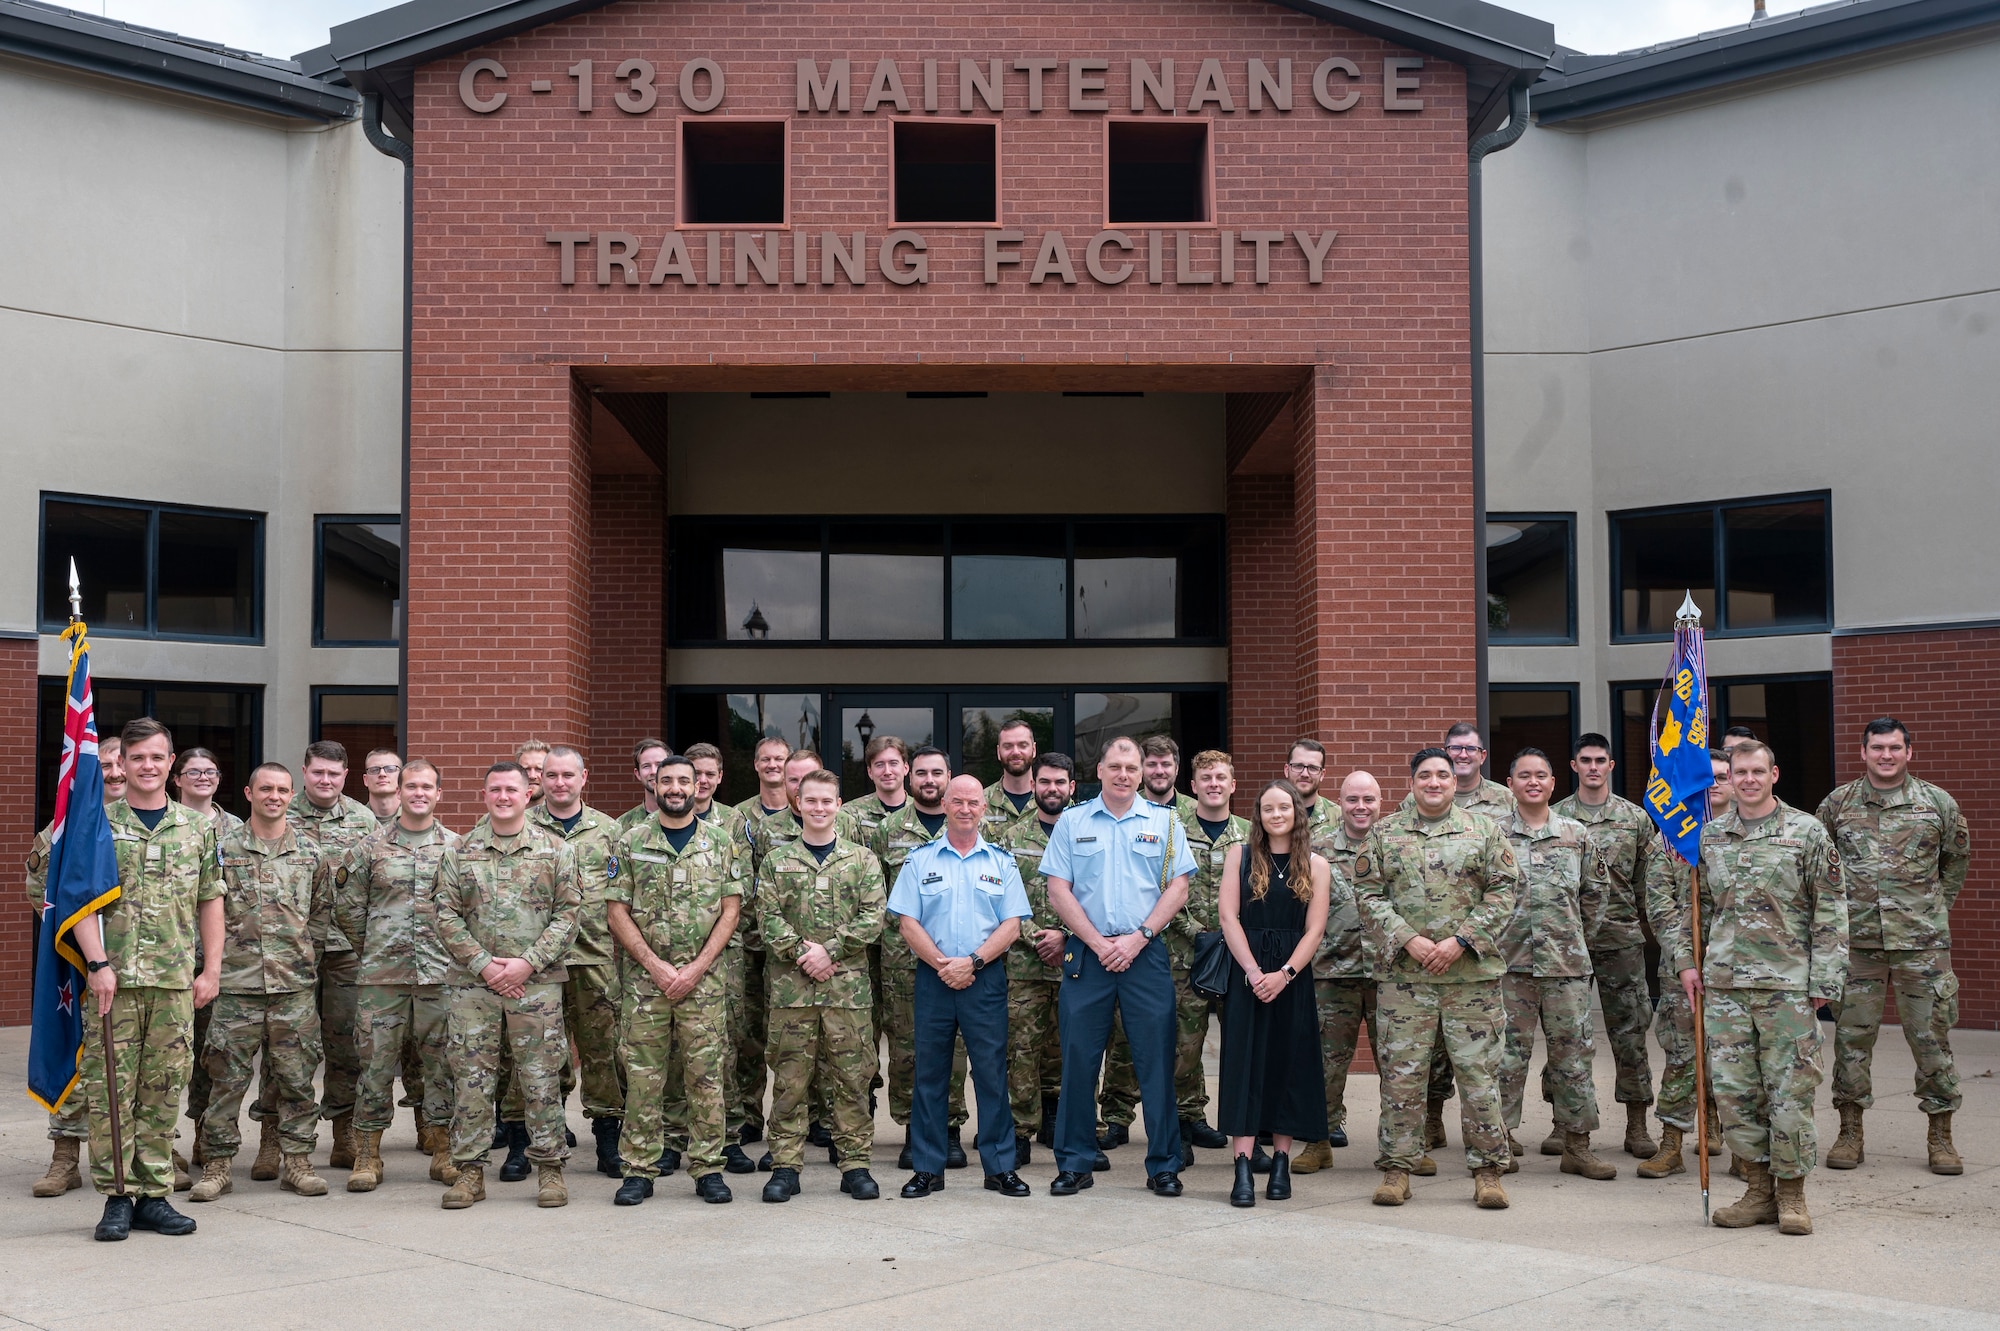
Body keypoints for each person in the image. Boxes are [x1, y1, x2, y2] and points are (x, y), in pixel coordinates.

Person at [1670, 741, 1846, 1235]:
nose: (1747, 779)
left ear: (1774, 774)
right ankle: (1757, 1191)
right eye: (1739, 772)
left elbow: (1832, 908)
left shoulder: (1808, 832)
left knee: (1790, 1092)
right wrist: (1687, 962)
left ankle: (1792, 1194)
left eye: (1756, 771)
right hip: (1723, 988)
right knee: (1734, 1094)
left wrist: (1825, 978)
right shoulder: (1709, 837)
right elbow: (1695, 909)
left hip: (1786, 986)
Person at [71, 718, 222, 1241]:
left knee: (162, 1090)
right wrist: (97, 964)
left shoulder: (198, 827)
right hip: (113, 983)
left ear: (171, 762)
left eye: (158, 757)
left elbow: (211, 898)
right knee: (110, 1091)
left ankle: (154, 1195)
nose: (148, 766)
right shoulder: (95, 823)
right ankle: (117, 1197)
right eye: (138, 757)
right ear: (123, 764)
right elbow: (79, 900)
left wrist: (211, 969)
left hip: (175, 981)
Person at [1353, 747, 1522, 1210]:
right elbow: (1367, 893)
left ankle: (1488, 1172)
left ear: (1455, 782)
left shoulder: (1484, 831)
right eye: (1424, 775)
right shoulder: (1385, 834)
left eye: (1442, 775)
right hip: (1405, 981)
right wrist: (1407, 938)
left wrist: (1462, 941)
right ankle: (1397, 1169)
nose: (1434, 782)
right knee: (1403, 1078)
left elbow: (1506, 889)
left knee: (1478, 1078)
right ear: (1411, 782)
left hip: (1471, 981)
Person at [1817, 718, 1971, 1175]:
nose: (1886, 755)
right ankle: (1850, 1132)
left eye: (1895, 748)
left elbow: (1955, 862)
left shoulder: (1937, 803)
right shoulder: (1837, 805)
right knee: (1851, 1041)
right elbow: (1823, 867)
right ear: (1863, 752)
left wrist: (1927, 910)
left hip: (1920, 946)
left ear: (1909, 753)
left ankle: (1941, 1136)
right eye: (1878, 747)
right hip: (1857, 946)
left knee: (1931, 1042)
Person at [1043, 736, 1195, 1198]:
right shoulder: (1072, 821)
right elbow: (1058, 889)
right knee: (1079, 1064)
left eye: (1133, 767)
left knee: (1155, 1064)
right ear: (1100, 770)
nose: (1125, 774)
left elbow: (1178, 888)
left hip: (1144, 954)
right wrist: (1095, 941)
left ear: (1142, 772)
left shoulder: (1167, 824)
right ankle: (1075, 1162)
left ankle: (1164, 1165)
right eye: (1116, 766)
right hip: (1087, 956)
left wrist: (1138, 938)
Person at [432, 761, 582, 1210]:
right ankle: (470, 1173)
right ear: (484, 795)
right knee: (472, 1081)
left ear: (527, 794)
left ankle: (550, 1171)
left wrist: (525, 964)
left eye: (510, 790)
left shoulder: (554, 850)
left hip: (535, 986)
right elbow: (444, 913)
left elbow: (569, 914)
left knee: (541, 1078)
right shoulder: (460, 851)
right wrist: (484, 966)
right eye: (494, 789)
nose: (502, 797)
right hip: (473, 987)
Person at [188, 763, 331, 1202]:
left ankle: (298, 1162)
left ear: (292, 795)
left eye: (282, 789)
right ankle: (216, 1165)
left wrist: (304, 963)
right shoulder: (221, 848)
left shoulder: (310, 852)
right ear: (248, 793)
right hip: (235, 988)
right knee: (224, 1080)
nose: (274, 795)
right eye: (265, 788)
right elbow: (201, 907)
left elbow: (322, 916)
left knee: (297, 1081)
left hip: (293, 989)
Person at [891, 774, 1034, 1198]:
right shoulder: (920, 860)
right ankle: (928, 1169)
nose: (966, 808)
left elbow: (1012, 924)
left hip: (984, 977)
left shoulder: (1001, 862)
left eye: (974, 802)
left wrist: (972, 962)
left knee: (991, 1074)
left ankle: (1000, 1168)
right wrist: (942, 964)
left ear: (983, 808)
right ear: (945, 805)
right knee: (930, 1075)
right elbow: (906, 921)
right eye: (958, 802)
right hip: (934, 977)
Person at [609, 755, 743, 1206]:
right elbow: (616, 911)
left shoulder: (721, 842)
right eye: (666, 780)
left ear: (698, 787)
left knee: (706, 1077)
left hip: (703, 984)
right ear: (654, 784)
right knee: (644, 1078)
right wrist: (656, 966)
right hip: (646, 985)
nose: (675, 787)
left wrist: (697, 967)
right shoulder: (630, 841)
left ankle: (708, 1168)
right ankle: (639, 1169)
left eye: (684, 780)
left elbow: (731, 910)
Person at [330, 758, 461, 1190]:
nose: (419, 792)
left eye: (427, 786)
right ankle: (368, 1155)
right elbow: (347, 906)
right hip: (381, 978)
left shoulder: (458, 848)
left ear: (439, 794)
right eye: (412, 785)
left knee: (442, 1064)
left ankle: (443, 1149)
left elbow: (469, 912)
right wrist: (374, 947)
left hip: (442, 976)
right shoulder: (370, 847)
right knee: (375, 1066)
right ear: (399, 792)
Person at [756, 768, 886, 1202]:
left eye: (827, 801)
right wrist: (803, 953)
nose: (818, 808)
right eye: (810, 800)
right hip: (792, 994)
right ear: (798, 804)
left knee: (852, 1081)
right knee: (791, 1082)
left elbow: (873, 917)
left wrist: (829, 951)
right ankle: (786, 1167)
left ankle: (855, 1165)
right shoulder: (778, 860)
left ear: (838, 805)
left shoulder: (861, 859)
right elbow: (767, 918)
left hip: (847, 994)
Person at [1494, 749, 1617, 1181]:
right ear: (1509, 783)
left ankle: (1577, 1144)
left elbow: (1597, 894)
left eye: (1541, 775)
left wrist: (1573, 935)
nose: (1533, 781)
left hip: (1565, 967)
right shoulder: (1492, 836)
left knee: (1574, 1057)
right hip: (1507, 967)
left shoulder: (1576, 834)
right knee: (1505, 1058)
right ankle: (1500, 1141)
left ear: (1552, 783)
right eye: (1523, 775)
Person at [1216, 780, 1330, 1207]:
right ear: (1258, 816)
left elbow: (1315, 929)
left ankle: (1281, 1162)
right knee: (1244, 1066)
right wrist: (1251, 971)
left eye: (1284, 807)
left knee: (1288, 1065)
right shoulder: (1239, 856)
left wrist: (1283, 974)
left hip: (1291, 975)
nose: (1276, 814)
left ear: (1297, 813)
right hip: (1246, 973)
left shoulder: (1316, 865)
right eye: (1268, 808)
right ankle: (1242, 1167)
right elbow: (1228, 917)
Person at [1551, 733, 1662, 1160]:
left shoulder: (1635, 819)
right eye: (1585, 760)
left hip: (1620, 941)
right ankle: (1566, 1124)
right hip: (1567, 944)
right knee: (1567, 1036)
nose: (1593, 767)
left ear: (1612, 766)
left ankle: (1637, 1124)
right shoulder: (1556, 817)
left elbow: (1646, 885)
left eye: (1601, 760)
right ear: (1574, 766)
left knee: (1630, 1033)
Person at [520, 745, 626, 1180]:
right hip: (537, 964)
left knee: (602, 1052)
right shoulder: (522, 826)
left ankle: (607, 1139)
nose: (559, 783)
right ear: (539, 781)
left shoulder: (609, 831)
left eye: (568, 775)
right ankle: (543, 1137)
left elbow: (625, 897)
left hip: (593, 958)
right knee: (543, 1053)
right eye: (551, 776)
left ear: (585, 778)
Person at [24, 734, 121, 1198]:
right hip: (79, 968)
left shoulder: (150, 825)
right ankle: (66, 1155)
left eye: (124, 763)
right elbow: (41, 896)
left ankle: (143, 1152)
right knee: (75, 1055)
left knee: (136, 1063)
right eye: (106, 765)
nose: (117, 772)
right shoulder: (62, 833)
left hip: (140, 967)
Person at [1097, 735, 1200, 1152]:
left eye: (1162, 764)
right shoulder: (1082, 819)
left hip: (1166, 951)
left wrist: (1141, 938)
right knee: (1110, 1046)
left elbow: (1182, 885)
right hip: (1106, 950)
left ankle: (1179, 1135)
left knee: (1172, 1048)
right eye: (1148, 764)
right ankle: (1113, 1121)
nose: (1154, 771)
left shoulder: (1177, 818)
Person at [285, 740, 380, 1175]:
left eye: (334, 774)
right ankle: (277, 1136)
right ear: (304, 771)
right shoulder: (280, 813)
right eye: (318, 772)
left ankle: (344, 1131)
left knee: (346, 1044)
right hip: (290, 949)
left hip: (345, 948)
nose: (326, 781)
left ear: (346, 777)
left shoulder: (364, 820)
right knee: (288, 1047)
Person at [875, 746, 971, 1169]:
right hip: (903, 964)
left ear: (949, 777)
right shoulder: (887, 830)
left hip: (961, 962)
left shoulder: (971, 828)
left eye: (937, 773)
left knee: (955, 1049)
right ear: (909, 778)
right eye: (921, 773)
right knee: (907, 1051)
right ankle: (915, 1130)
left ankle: (950, 1129)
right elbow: (877, 898)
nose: (929, 780)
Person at [1638, 750, 1728, 1178]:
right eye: (1706, 777)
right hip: (1681, 970)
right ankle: (1671, 1140)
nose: (1715, 784)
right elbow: (1660, 908)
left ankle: (1739, 1141)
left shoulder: (1749, 835)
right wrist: (1685, 959)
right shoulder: (1670, 839)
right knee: (1681, 1055)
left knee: (1735, 1057)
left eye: (1723, 776)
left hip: (1737, 968)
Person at [1169, 751, 1246, 1155]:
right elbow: (1162, 890)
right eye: (1206, 778)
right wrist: (1199, 933)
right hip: (1184, 959)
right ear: (1193, 786)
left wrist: (1233, 937)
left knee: (1242, 1046)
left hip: (1240, 961)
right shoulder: (1173, 832)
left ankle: (1247, 1130)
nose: (1214, 783)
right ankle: (1184, 1124)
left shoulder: (1252, 835)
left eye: (1221, 777)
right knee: (1184, 1047)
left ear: (1233, 785)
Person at [1000, 752, 1075, 1164]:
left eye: (1060, 782)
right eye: (1045, 782)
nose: (1052, 789)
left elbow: (1098, 894)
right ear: (1033, 786)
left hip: (1077, 961)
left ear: (1071, 788)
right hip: (1024, 966)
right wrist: (1038, 938)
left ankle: (1069, 1130)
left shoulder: (1086, 834)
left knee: (1073, 1050)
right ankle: (1020, 1134)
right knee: (1022, 1051)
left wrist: (1065, 936)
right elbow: (1002, 899)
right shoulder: (1011, 838)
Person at [983, 719, 1038, 831]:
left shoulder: (1052, 800)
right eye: (1008, 746)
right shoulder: (980, 802)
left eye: (1023, 745)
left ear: (1033, 749)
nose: (1016, 752)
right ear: (998, 752)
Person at [1284, 739, 1340, 845]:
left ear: (1322, 774)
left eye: (1313, 768)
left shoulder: (1339, 818)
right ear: (1287, 770)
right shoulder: (1271, 816)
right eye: (1298, 766)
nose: (1305, 773)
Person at [617, 738, 669, 831]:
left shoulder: (690, 819)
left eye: (659, 764)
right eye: (646, 766)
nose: (653, 771)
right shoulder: (622, 825)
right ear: (637, 774)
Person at [360, 749, 403, 823]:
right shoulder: (353, 818)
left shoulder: (416, 818)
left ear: (401, 777)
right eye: (374, 770)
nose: (382, 774)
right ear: (365, 780)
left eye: (390, 769)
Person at [514, 738, 550, 804]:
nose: (532, 776)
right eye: (526, 769)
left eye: (539, 769)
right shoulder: (502, 813)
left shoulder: (563, 813)